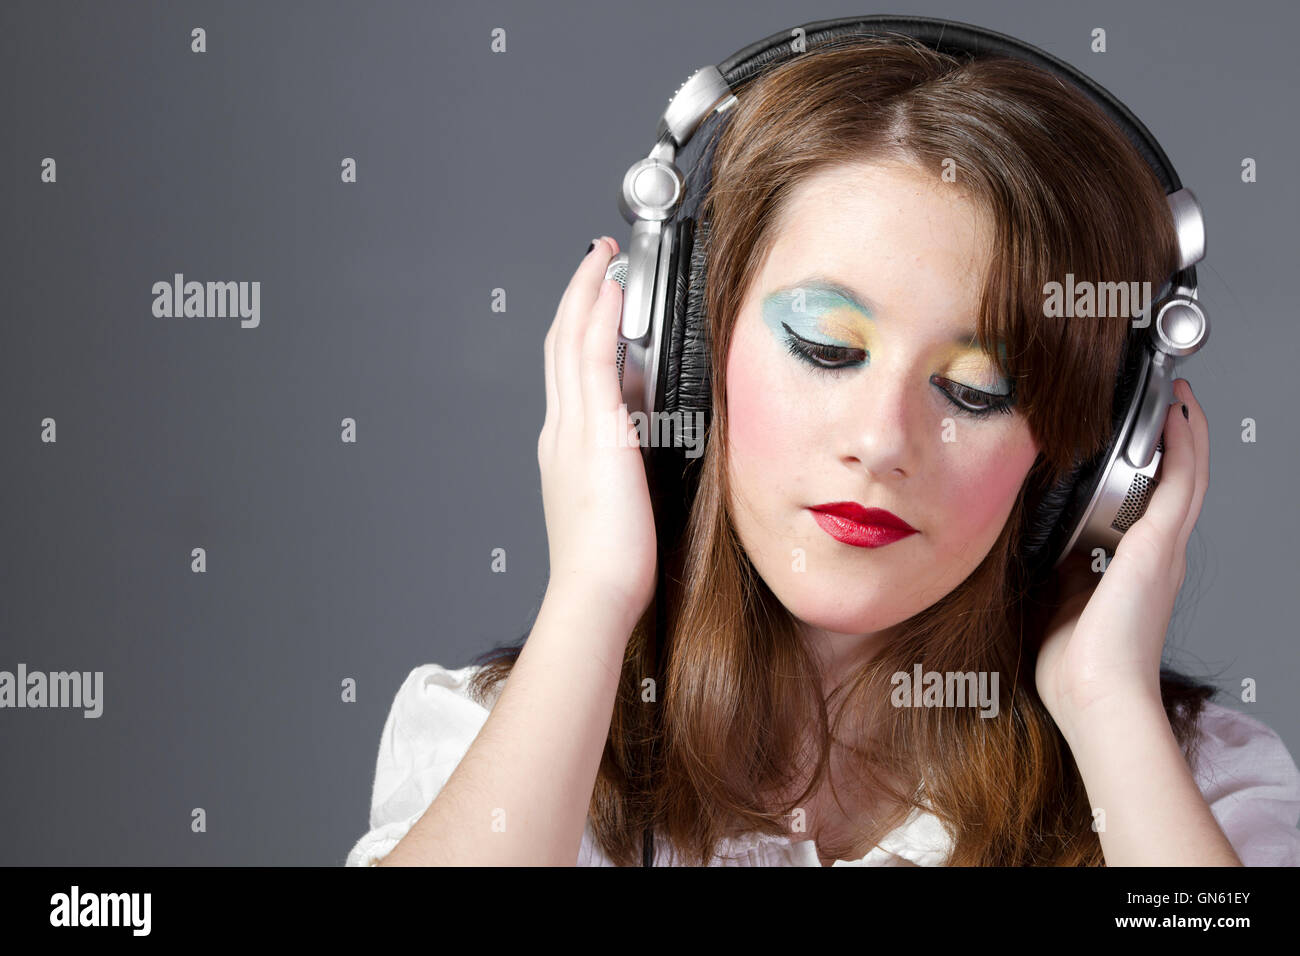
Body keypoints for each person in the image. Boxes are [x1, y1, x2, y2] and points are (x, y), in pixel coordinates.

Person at [346, 35, 1300, 867]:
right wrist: (591, 601)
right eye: (825, 348)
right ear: (677, 356)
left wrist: (1108, 711)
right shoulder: (494, 736)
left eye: (976, 390)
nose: (883, 443)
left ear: (1090, 460)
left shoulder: (1199, 790)